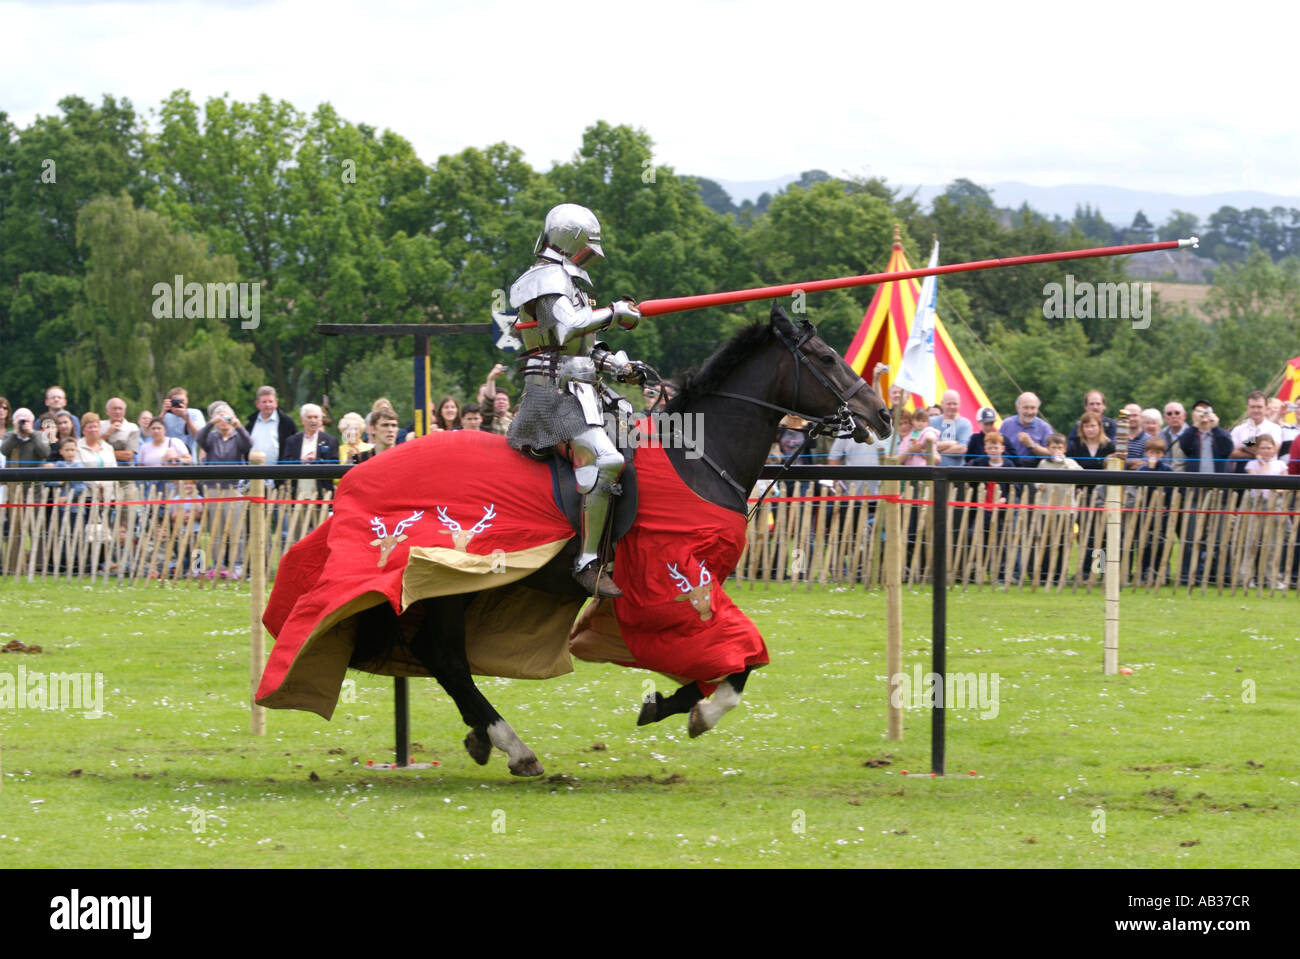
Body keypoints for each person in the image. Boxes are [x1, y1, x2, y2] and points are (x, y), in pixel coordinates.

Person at [505, 202, 644, 597]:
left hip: (583, 389)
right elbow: (568, 327)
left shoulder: (568, 283)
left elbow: (584, 345)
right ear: (574, 241)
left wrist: (616, 364)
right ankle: (587, 562)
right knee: (606, 460)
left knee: (639, 446)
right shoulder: (545, 278)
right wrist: (615, 311)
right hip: (552, 395)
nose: (590, 257)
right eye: (588, 247)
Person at [282, 403, 339, 498]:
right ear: (302, 420)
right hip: (297, 493)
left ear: (321, 420)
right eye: (309, 417)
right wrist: (301, 461)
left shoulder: (330, 441)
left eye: (316, 417)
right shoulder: (292, 441)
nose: (313, 420)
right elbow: (284, 463)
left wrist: (316, 461)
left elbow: (335, 465)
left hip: (322, 494)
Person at [1229, 390, 1282, 474]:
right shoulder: (1238, 429)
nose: (1256, 410)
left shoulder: (1274, 428)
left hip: (1268, 476)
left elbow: (1272, 451)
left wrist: (1243, 447)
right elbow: (1231, 453)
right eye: (1253, 407)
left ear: (1266, 407)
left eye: (1259, 407)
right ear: (1247, 407)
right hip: (1241, 476)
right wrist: (1257, 452)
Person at [999, 392, 1053, 467]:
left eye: (1033, 408)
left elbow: (1051, 454)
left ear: (1038, 409)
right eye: (1025, 407)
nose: (1029, 412)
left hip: (1035, 470)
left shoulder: (1044, 427)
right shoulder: (1006, 424)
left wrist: (1031, 445)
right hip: (1010, 469)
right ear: (1017, 408)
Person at [246, 385, 296, 465]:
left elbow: (293, 447)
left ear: (276, 403)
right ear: (257, 404)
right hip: (253, 472)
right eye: (264, 402)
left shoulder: (287, 423)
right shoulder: (250, 423)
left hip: (278, 473)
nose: (268, 405)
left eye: (270, 401)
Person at [929, 389, 971, 468]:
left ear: (959, 404)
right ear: (942, 404)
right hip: (933, 472)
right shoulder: (931, 422)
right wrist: (952, 443)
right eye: (949, 404)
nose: (952, 406)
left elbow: (962, 449)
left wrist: (936, 450)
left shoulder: (965, 424)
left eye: (955, 404)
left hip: (957, 473)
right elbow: (926, 446)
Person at [162, 387, 205, 459]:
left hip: (189, 459)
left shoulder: (195, 414)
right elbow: (153, 434)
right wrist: (162, 412)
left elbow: (200, 436)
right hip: (168, 460)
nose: (179, 403)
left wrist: (186, 418)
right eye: (176, 401)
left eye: (182, 400)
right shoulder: (165, 416)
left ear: (187, 400)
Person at [103, 397, 141, 466]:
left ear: (124, 411)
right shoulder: (99, 426)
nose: (117, 411)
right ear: (107, 411)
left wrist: (103, 454)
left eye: (120, 408)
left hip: (125, 471)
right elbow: (92, 448)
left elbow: (129, 456)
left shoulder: (133, 428)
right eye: (114, 408)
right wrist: (107, 433)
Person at [1158, 402, 1189, 471]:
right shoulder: (1160, 436)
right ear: (1165, 417)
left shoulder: (1192, 434)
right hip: (1164, 478)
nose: (1173, 416)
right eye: (1169, 414)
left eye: (1177, 413)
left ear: (1184, 415)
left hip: (1187, 478)